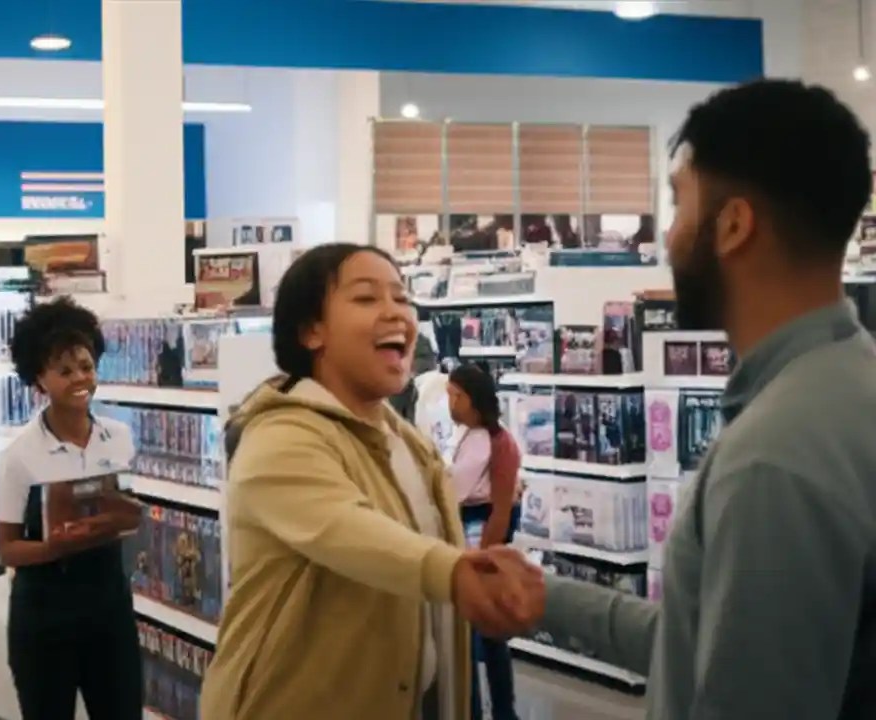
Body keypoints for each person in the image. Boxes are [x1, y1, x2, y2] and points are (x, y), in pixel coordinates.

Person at [528, 79, 876, 719]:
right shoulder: (842, 387)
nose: (668, 238)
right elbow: (708, 645)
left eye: (679, 205)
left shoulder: (776, 458)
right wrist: (546, 599)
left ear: (735, 224)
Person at [199, 244, 544, 720]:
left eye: (401, 298)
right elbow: (348, 531)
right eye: (366, 299)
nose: (396, 314)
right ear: (310, 331)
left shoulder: (409, 444)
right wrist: (456, 572)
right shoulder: (279, 438)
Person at [0, 297, 143, 720]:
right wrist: (56, 547)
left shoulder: (119, 437)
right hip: (44, 614)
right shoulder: (19, 456)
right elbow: (7, 549)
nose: (80, 378)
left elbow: (126, 506)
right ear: (38, 379)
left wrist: (128, 518)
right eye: (64, 371)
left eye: (86, 366)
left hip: (110, 607)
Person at [446, 364, 522, 720]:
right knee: (479, 636)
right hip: (467, 532)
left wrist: (485, 557)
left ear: (473, 400)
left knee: (484, 635)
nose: (450, 403)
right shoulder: (466, 435)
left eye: (456, 396)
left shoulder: (499, 442)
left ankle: (498, 711)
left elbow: (502, 510)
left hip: (483, 535)